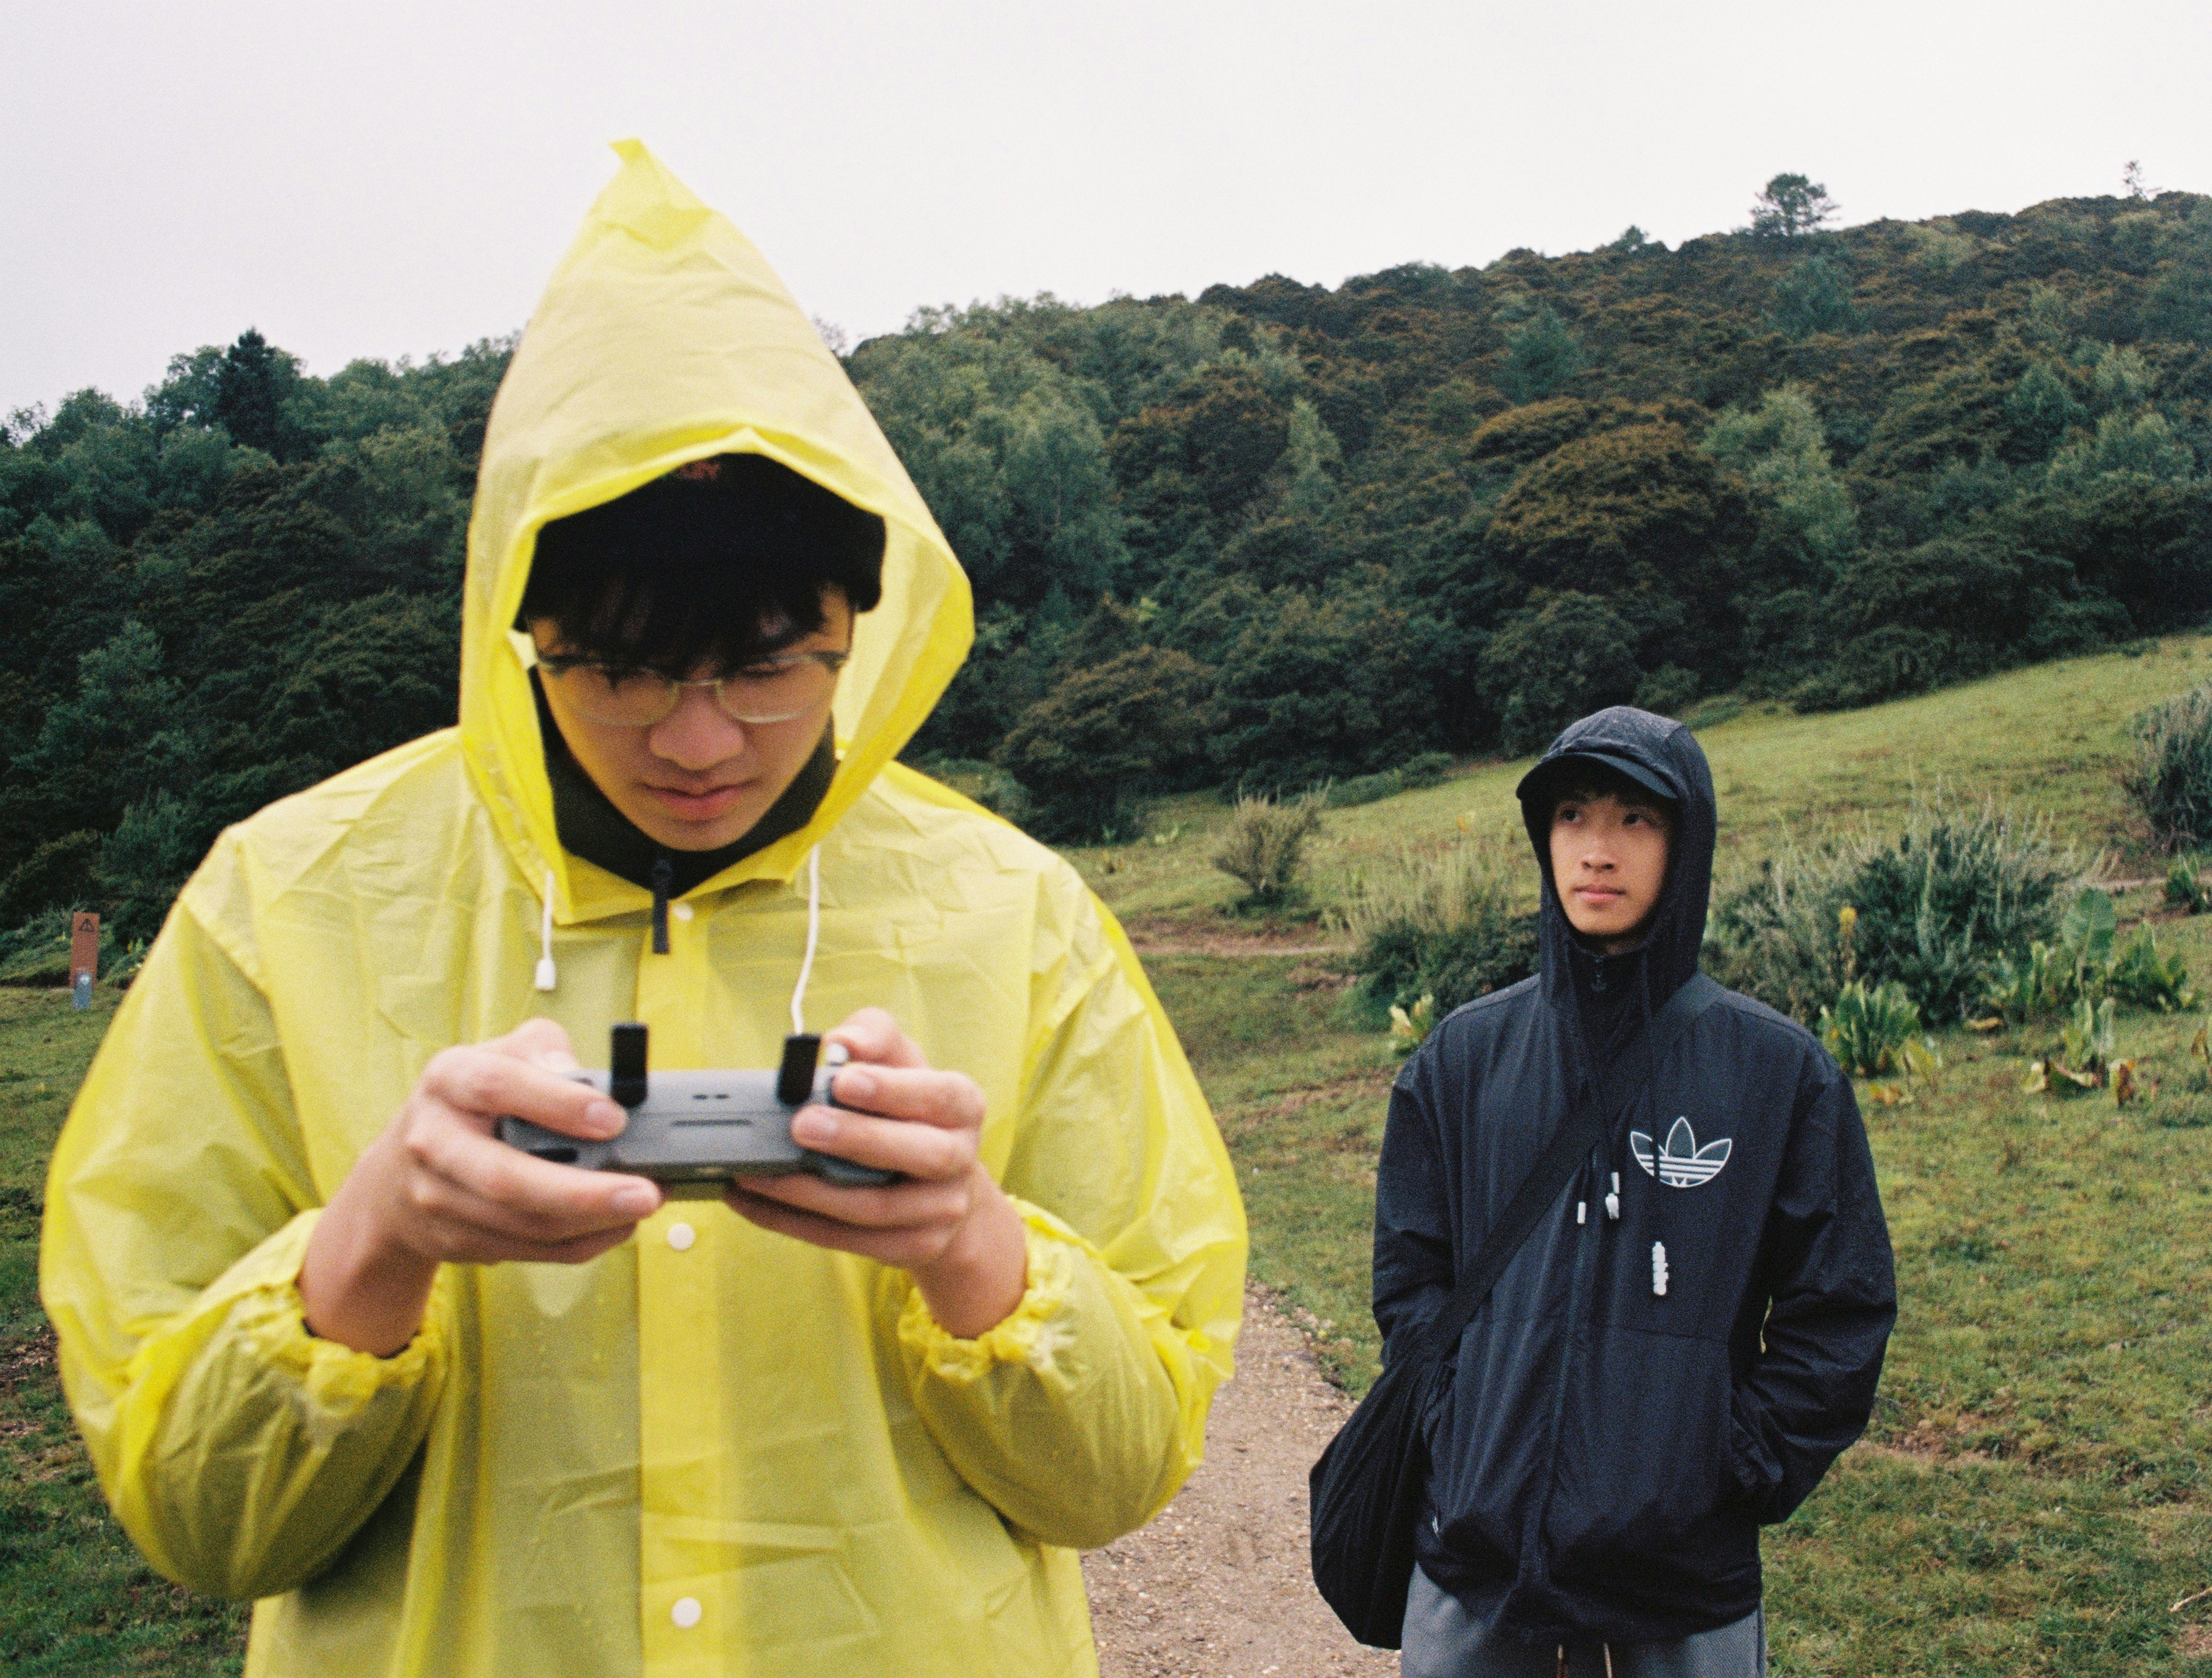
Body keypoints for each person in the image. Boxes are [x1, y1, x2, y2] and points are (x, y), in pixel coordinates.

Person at [40, 142, 1246, 1677]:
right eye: (618, 669)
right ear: (519, 625)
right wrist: (373, 1242)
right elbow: (200, 1530)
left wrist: (972, 1247)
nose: (694, 744)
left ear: (856, 630)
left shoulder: (1017, 917)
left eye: (764, 668)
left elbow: (1124, 1479)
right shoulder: (282, 904)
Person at [1371, 706, 1895, 1677]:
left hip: (1680, 1574)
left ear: (1683, 841)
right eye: (1572, 816)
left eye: (1635, 820)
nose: (1597, 850)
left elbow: (1843, 1306)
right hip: (1479, 1556)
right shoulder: (1464, 1058)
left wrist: (1731, 1462)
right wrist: (1462, 1428)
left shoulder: (1776, 1072)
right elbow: (1410, 1275)